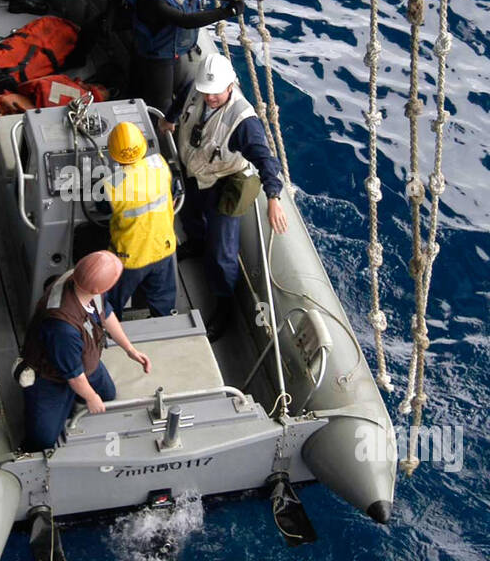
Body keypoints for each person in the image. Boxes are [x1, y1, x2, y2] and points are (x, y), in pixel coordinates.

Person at [161, 52, 288, 342]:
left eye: (215, 93)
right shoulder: (198, 88)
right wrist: (169, 120)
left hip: (223, 181)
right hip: (195, 171)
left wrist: (273, 197)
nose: (209, 98)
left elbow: (266, 160)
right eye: (206, 92)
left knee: (222, 252)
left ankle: (224, 305)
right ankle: (195, 243)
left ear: (230, 85)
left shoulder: (243, 121)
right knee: (190, 214)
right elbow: (183, 101)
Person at [19, 250, 152, 451]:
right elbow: (74, 376)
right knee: (43, 439)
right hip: (50, 377)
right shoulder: (62, 327)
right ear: (102, 286)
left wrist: (129, 349)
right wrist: (91, 397)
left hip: (84, 362)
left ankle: (75, 399)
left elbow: (105, 313)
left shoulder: (86, 286)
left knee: (107, 394)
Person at [133, 0, 263, 114]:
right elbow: (185, 20)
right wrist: (227, 12)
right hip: (158, 54)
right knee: (161, 103)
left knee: (181, 91)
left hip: (175, 48)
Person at [103, 121, 177, 318]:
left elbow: (101, 208)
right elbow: (175, 189)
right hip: (163, 248)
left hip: (130, 258)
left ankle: (110, 333)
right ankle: (166, 332)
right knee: (163, 301)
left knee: (112, 301)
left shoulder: (112, 184)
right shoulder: (159, 163)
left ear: (113, 153)